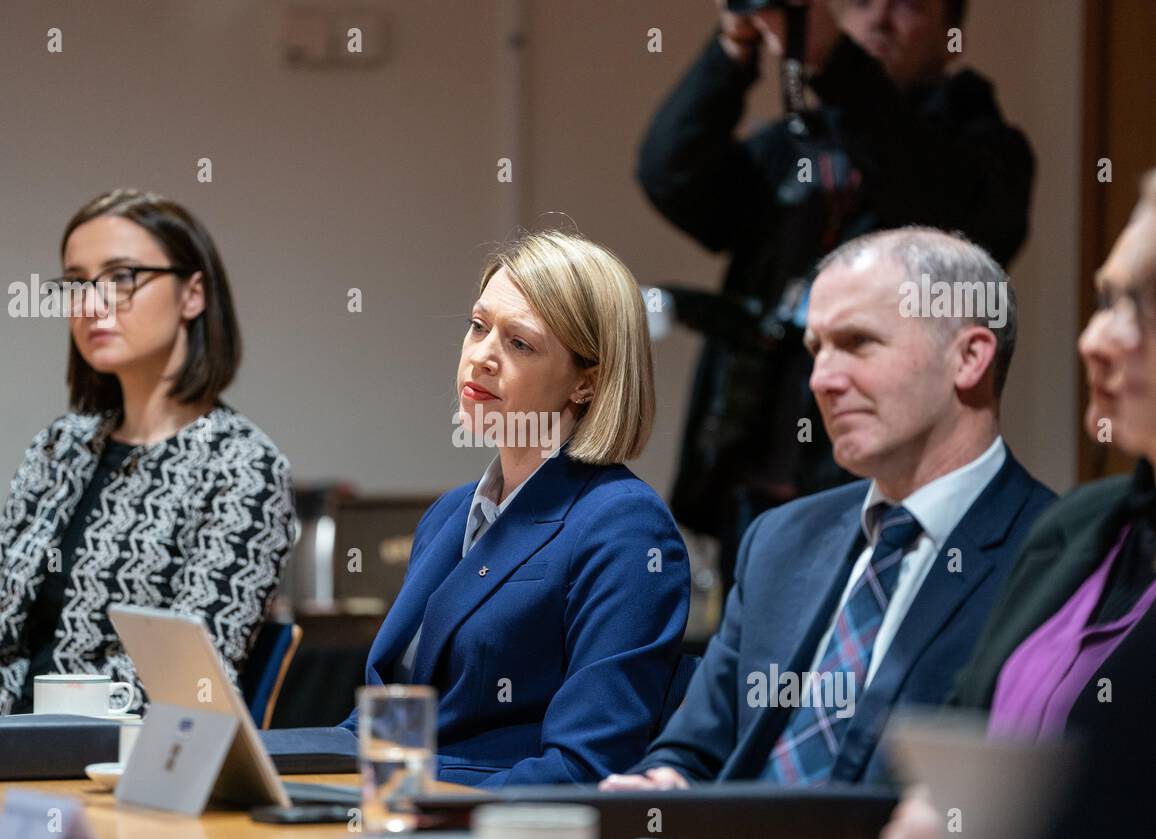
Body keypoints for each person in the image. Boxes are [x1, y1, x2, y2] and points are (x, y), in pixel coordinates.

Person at [601, 227, 1053, 791]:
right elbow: (694, 751)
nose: (821, 380)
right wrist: (662, 782)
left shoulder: (1054, 558)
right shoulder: (781, 539)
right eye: (815, 349)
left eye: (859, 342)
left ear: (968, 358)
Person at [640, 0, 1035, 584]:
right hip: (751, 498)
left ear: (953, 32)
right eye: (856, 2)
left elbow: (931, 198)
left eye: (908, 6)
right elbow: (672, 175)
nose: (877, 18)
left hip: (896, 495)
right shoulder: (794, 147)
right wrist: (736, 44)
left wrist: (831, 58)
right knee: (750, 671)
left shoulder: (981, 149)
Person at [337, 230, 691, 787]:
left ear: (586, 382)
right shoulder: (450, 513)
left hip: (492, 830)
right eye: (478, 327)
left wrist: (416, 810)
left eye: (519, 344)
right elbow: (384, 729)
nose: (480, 357)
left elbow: (584, 768)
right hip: (393, 803)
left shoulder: (625, 526)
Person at [0, 189, 294, 718]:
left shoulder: (241, 466)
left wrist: (23, 735)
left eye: (121, 278)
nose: (91, 304)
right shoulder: (59, 448)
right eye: (76, 283)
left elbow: (189, 681)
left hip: (111, 763)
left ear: (193, 293)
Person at [882, 171, 1156, 839]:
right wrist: (930, 812)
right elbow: (967, 734)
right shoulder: (1081, 524)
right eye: (1104, 299)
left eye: (1141, 308)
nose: (1095, 337)